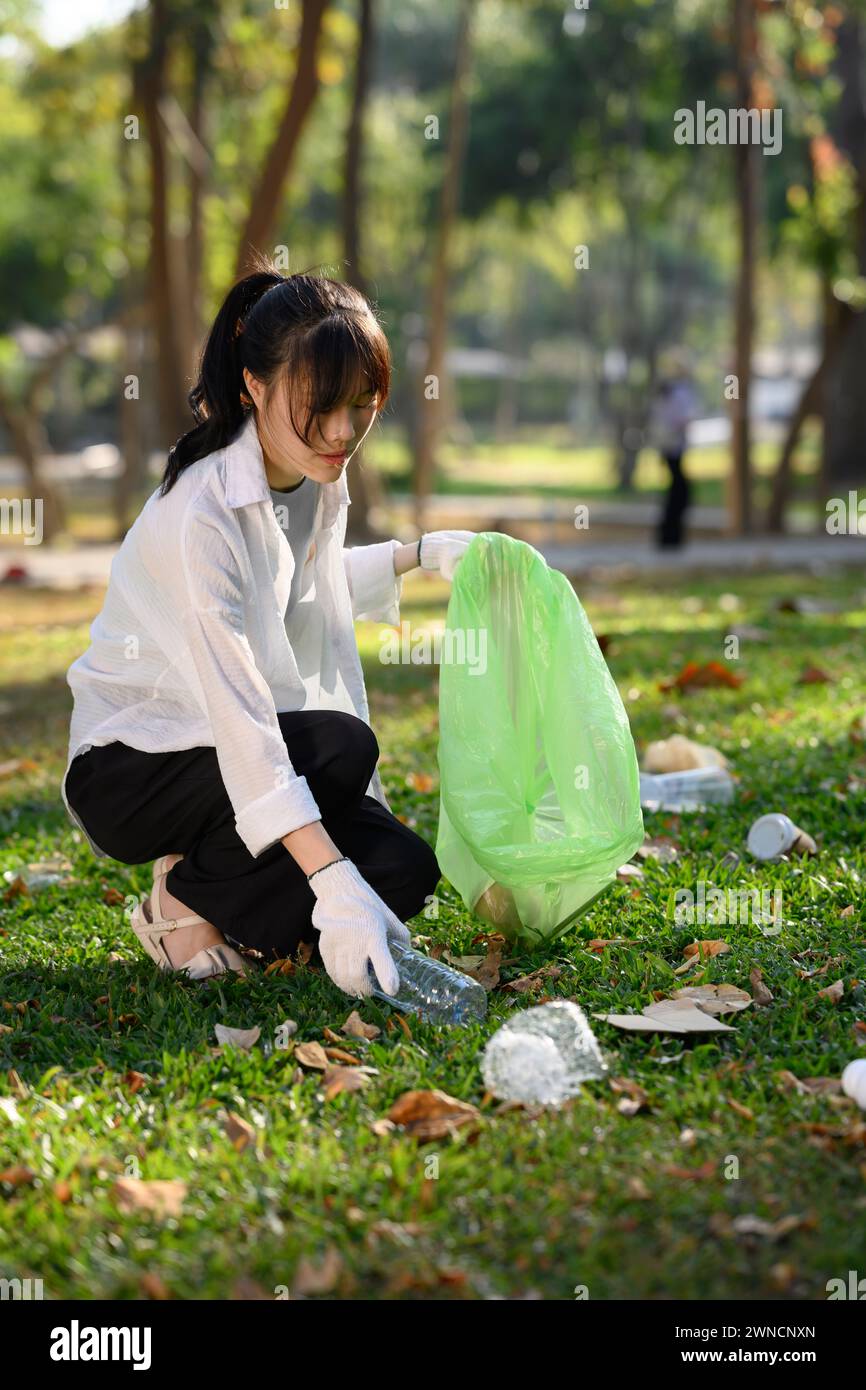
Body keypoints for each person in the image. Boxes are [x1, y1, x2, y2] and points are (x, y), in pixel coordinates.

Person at [61, 259, 476, 998]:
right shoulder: (203, 511)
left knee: (404, 872)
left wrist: (419, 555)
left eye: (363, 404)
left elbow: (292, 592)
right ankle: (183, 896)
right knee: (340, 750)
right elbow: (242, 717)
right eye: (322, 405)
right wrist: (330, 878)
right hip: (135, 763)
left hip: (219, 747)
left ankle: (231, 899)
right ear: (254, 384)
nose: (344, 431)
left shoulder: (311, 474)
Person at [650, 365, 699, 548]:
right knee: (679, 491)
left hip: (670, 448)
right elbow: (682, 420)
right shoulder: (679, 394)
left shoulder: (669, 395)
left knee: (678, 490)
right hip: (673, 448)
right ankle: (670, 536)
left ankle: (671, 536)